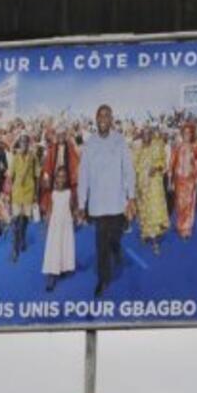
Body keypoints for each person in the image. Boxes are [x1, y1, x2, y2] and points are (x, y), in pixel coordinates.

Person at [76, 105, 136, 297]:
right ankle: (103, 278)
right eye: (100, 115)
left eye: (106, 116)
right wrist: (80, 203)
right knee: (101, 243)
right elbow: (83, 174)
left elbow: (128, 170)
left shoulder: (120, 141)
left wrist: (131, 197)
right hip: (98, 204)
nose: (103, 119)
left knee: (114, 237)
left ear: (111, 119)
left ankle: (116, 248)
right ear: (96, 118)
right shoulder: (90, 144)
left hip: (117, 202)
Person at [133, 125, 170, 254]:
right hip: (141, 185)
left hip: (154, 185)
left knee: (153, 213)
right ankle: (145, 233)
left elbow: (163, 162)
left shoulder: (157, 146)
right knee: (143, 212)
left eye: (149, 133)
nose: (146, 136)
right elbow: (134, 166)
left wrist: (156, 167)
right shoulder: (137, 148)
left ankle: (155, 243)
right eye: (144, 133)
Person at [42, 166, 78, 292]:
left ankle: (62, 267)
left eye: (63, 176)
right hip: (55, 225)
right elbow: (49, 211)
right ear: (55, 178)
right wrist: (46, 226)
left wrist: (74, 219)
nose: (61, 179)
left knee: (64, 246)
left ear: (66, 178)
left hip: (66, 225)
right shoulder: (53, 193)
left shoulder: (70, 193)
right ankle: (52, 275)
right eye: (59, 176)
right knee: (54, 248)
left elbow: (73, 208)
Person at [8, 133, 39, 262]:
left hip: (29, 192)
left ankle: (23, 236)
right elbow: (11, 176)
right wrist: (9, 193)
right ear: (19, 144)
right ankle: (15, 248)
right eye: (21, 143)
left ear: (29, 144)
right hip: (16, 192)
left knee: (25, 219)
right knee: (15, 221)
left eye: (26, 142)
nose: (24, 145)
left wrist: (36, 193)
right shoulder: (14, 157)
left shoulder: (33, 158)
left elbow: (36, 176)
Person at [170, 123, 197, 239]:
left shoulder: (195, 147)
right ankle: (180, 226)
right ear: (182, 134)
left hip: (190, 181)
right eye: (185, 133)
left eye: (189, 133)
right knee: (180, 204)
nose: (187, 135)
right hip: (179, 180)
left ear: (191, 134)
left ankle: (186, 228)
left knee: (189, 204)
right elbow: (171, 164)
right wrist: (170, 179)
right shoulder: (177, 147)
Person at [40, 126, 80, 219]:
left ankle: (67, 217)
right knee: (55, 198)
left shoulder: (70, 147)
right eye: (59, 135)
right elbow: (48, 163)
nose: (61, 137)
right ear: (57, 136)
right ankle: (54, 217)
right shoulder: (53, 148)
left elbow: (75, 161)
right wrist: (46, 175)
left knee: (67, 198)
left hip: (67, 177)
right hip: (55, 178)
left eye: (63, 135)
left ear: (65, 135)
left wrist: (75, 174)